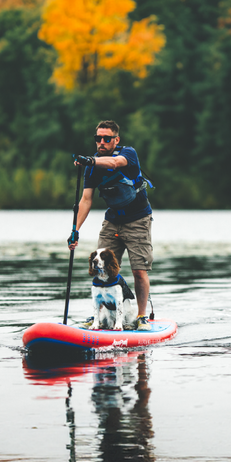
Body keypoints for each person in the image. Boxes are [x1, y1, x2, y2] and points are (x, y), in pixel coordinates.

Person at [68, 120, 153, 331]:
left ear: (116, 140)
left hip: (138, 220)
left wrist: (90, 161)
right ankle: (98, 315)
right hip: (112, 221)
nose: (102, 142)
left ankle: (141, 316)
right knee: (101, 267)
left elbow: (115, 164)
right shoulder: (92, 167)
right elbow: (86, 200)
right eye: (98, 138)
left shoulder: (129, 153)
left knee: (138, 271)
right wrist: (75, 230)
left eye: (107, 138)